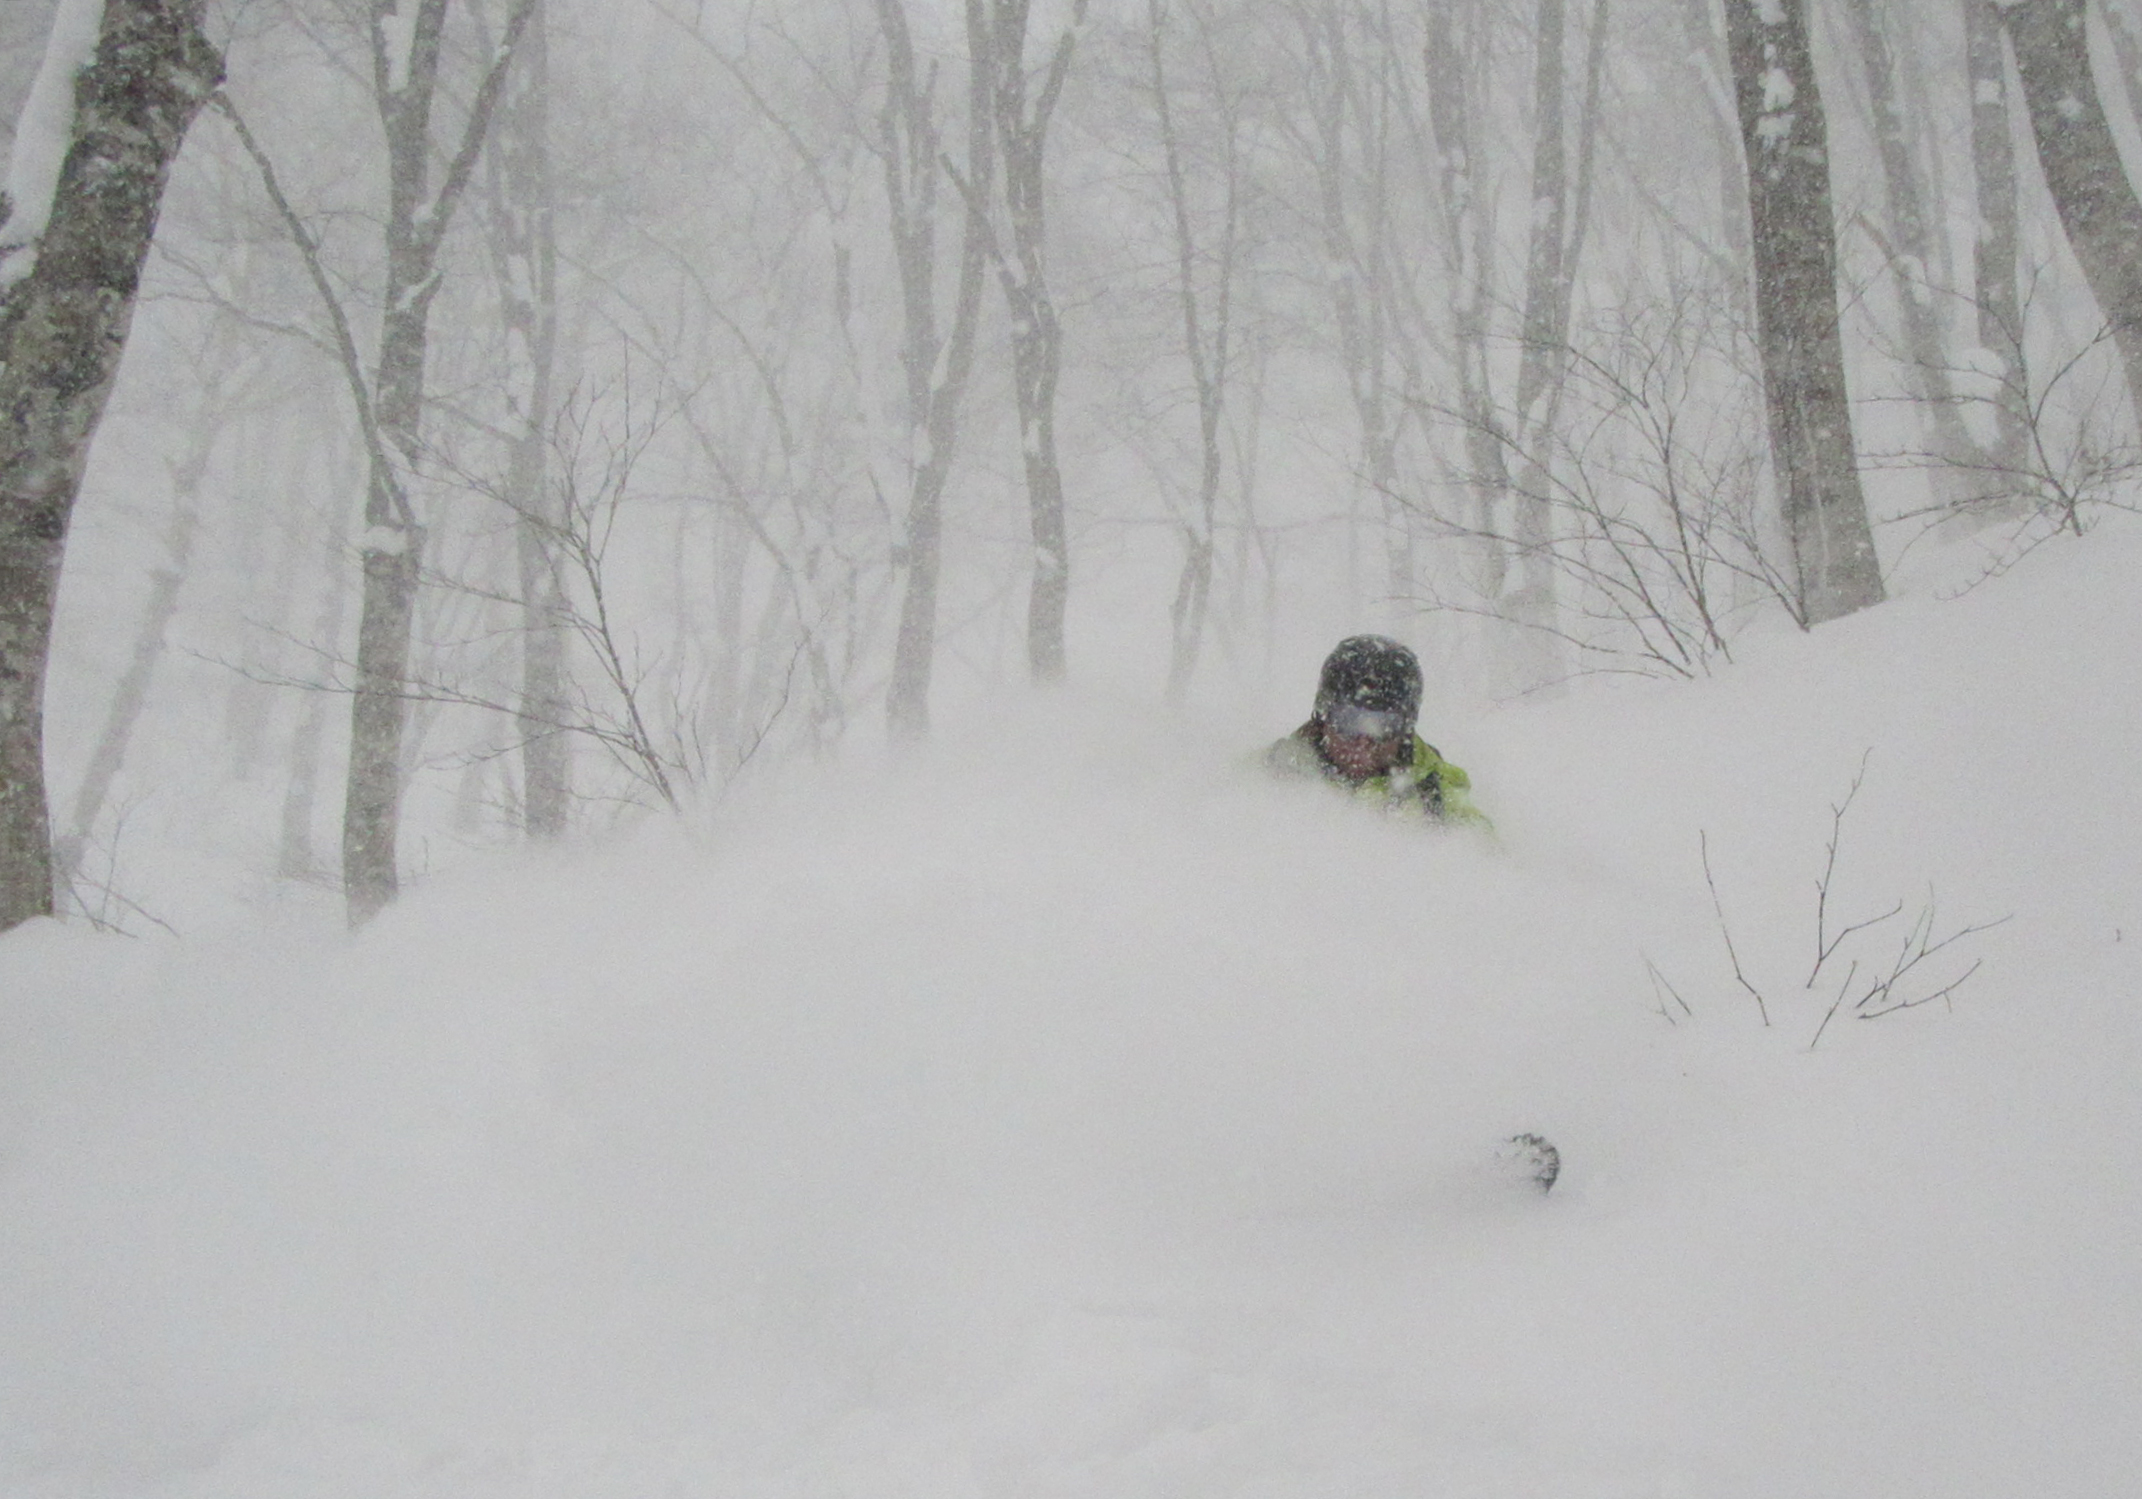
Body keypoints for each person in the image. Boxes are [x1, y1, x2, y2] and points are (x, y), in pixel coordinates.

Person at [1264, 635, 1490, 829]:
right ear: (1323, 717)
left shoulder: (1441, 807)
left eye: (1384, 726)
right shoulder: (1265, 776)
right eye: (1349, 722)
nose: (1364, 742)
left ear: (1406, 728)